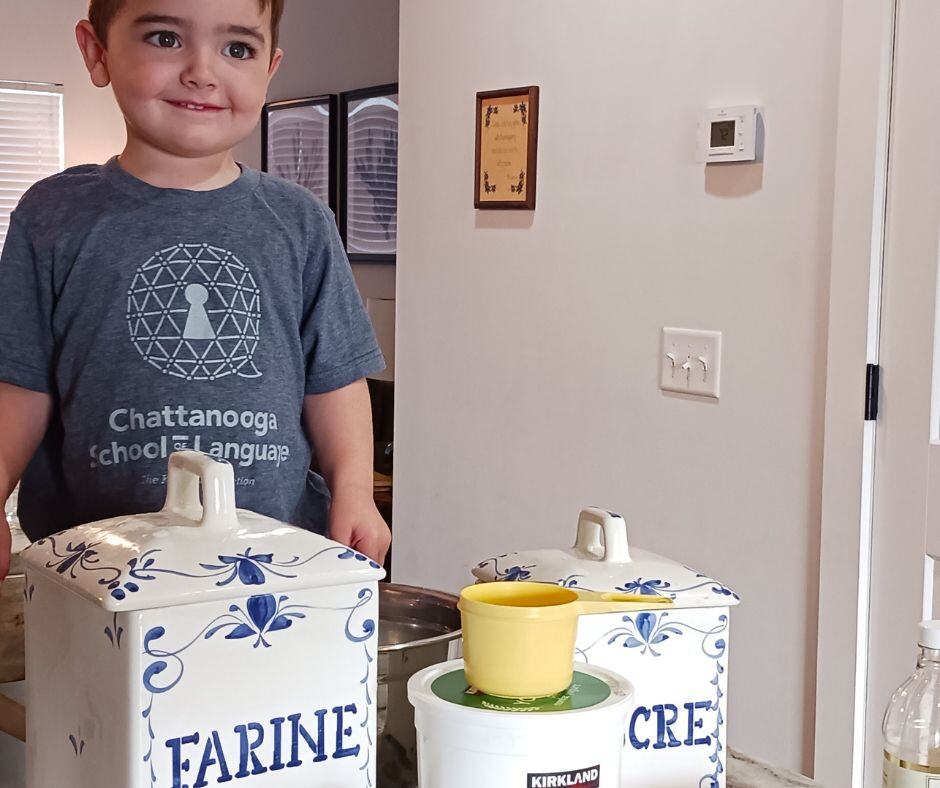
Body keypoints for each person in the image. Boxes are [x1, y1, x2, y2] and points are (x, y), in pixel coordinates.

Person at [0, 0, 392, 583]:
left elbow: (335, 378)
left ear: (269, 68)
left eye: (237, 49)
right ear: (96, 51)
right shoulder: (54, 215)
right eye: (164, 38)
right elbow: (20, 382)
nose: (202, 72)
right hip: (93, 567)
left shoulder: (301, 221)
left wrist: (355, 491)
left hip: (276, 557)